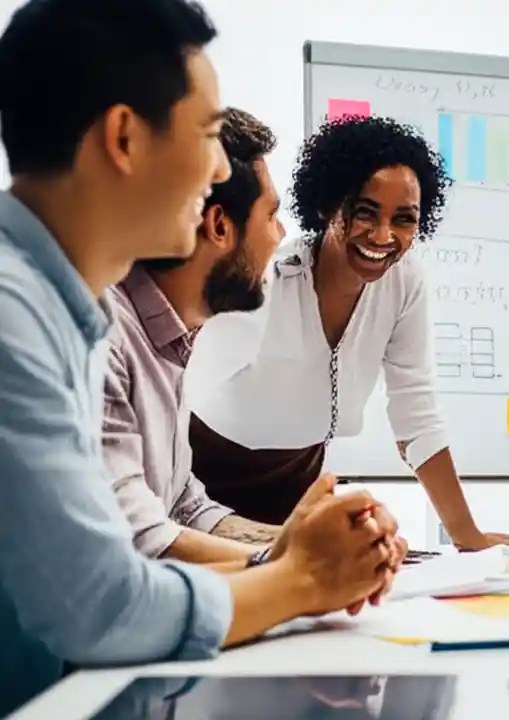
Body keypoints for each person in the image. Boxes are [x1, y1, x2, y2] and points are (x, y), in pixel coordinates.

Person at [0, 1, 403, 715]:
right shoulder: (14, 316)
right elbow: (103, 602)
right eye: (210, 134)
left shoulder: (72, 309)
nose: (219, 168)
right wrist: (300, 577)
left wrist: (296, 558)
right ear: (124, 137)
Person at [185, 115, 509, 550]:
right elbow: (181, 388)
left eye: (404, 219)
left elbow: (416, 413)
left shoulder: (404, 280)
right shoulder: (267, 281)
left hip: (300, 489)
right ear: (328, 206)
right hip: (204, 486)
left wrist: (468, 537)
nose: (383, 235)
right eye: (364, 212)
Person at [102, 107, 291, 562]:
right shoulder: (104, 336)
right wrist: (297, 566)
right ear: (220, 226)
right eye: (272, 216)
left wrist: (294, 540)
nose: (281, 236)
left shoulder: (175, 339)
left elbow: (184, 506)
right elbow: (139, 539)